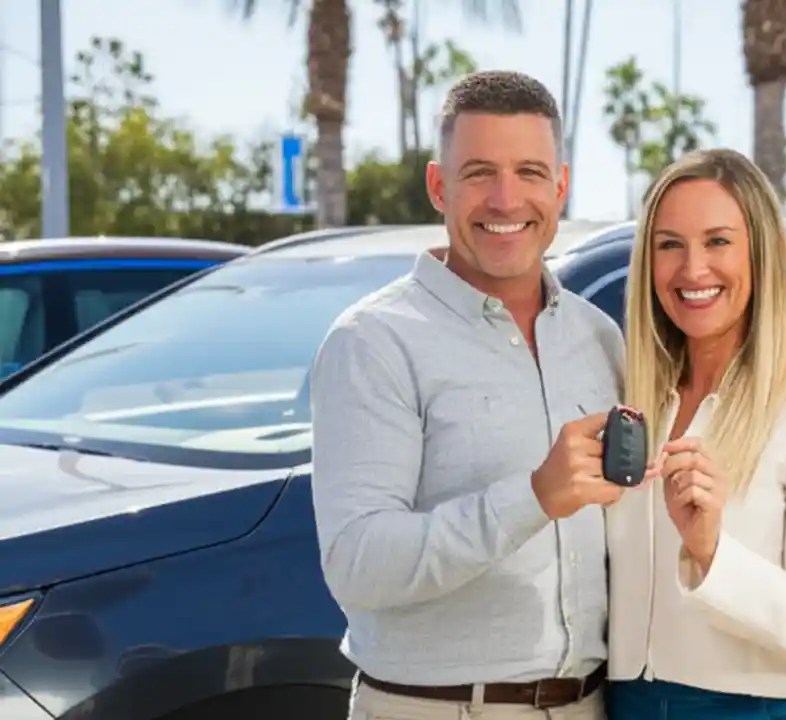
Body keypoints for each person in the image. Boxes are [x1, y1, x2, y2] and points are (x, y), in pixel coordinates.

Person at [309, 70, 626, 720]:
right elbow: (357, 563)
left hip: (589, 706)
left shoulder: (598, 336)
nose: (506, 200)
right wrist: (532, 497)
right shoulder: (374, 341)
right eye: (480, 173)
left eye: (530, 172)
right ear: (438, 186)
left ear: (560, 186)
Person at [604, 147, 786, 719]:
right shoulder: (629, 403)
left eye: (718, 241)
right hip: (634, 705)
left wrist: (711, 551)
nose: (692, 269)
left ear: (761, 254)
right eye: (669, 245)